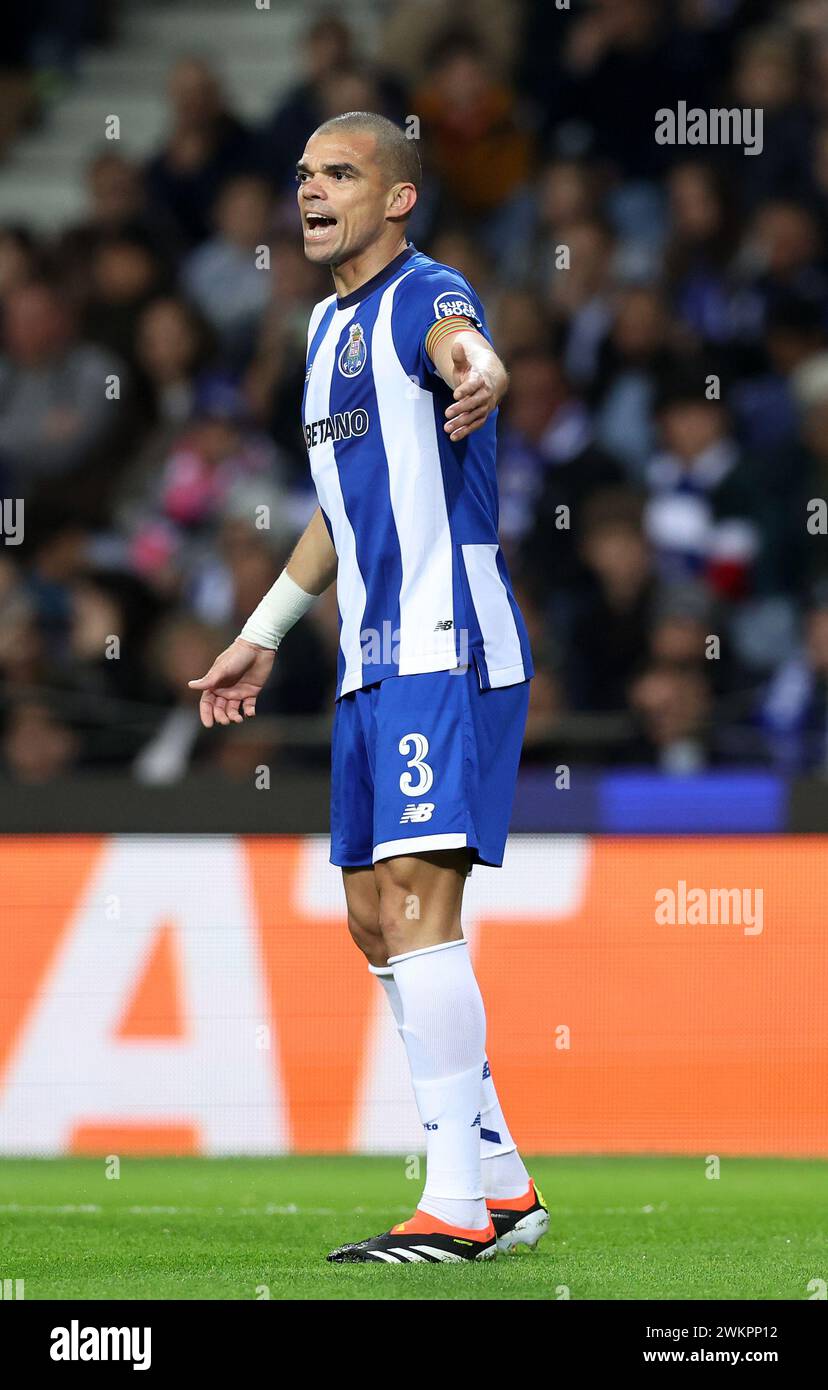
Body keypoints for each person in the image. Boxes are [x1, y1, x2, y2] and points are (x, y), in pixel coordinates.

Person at [188, 112, 545, 1264]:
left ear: (398, 197)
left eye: (340, 173)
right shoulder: (323, 328)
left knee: (414, 902)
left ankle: (453, 1208)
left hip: (447, 645)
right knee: (367, 919)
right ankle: (502, 1178)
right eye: (302, 175)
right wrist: (261, 632)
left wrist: (482, 370)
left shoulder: (422, 292)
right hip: (369, 660)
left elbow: (463, 348)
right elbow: (341, 515)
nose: (311, 191)